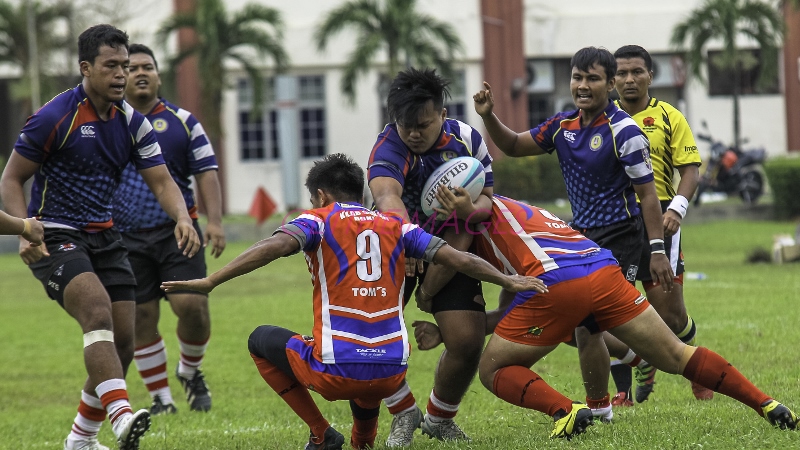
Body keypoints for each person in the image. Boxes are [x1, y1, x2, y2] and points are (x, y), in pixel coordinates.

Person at [161, 154, 547, 450]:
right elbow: (458, 257)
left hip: (336, 371)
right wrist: (507, 278)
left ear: (322, 196)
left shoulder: (318, 219)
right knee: (367, 371)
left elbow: (274, 246)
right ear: (360, 193)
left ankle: (320, 434)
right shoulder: (397, 226)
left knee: (260, 340)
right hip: (392, 373)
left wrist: (212, 280)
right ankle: (363, 442)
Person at [412, 194, 798, 439]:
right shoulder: (521, 208)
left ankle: (566, 410)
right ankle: (765, 402)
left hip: (558, 280)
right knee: (676, 354)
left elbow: (453, 261)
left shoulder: (466, 219)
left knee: (492, 369)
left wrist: (428, 298)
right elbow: (513, 313)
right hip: (601, 267)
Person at [0, 24, 201, 450]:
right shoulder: (55, 117)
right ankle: (122, 416)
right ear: (86, 68)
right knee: (96, 314)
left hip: (107, 238)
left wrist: (182, 216)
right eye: (111, 66)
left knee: (123, 344)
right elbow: (12, 178)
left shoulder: (134, 124)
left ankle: (81, 439)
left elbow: (164, 182)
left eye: (124, 67)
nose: (120, 75)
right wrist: (24, 231)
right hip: (55, 235)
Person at [473, 46, 673, 412]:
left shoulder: (623, 131)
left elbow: (648, 195)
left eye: (593, 78)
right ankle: (636, 361)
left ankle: (603, 408)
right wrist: (489, 117)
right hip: (578, 236)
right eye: (577, 78)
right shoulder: (562, 126)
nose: (583, 86)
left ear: (610, 84)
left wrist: (657, 250)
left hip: (621, 236)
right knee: (574, 321)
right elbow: (515, 145)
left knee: (588, 326)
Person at [367, 67, 495, 445]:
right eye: (406, 125)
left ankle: (439, 417)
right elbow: (388, 199)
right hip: (397, 244)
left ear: (442, 112)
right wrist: (409, 242)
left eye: (423, 124)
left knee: (467, 340)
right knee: (372, 336)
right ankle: (402, 410)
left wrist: (468, 208)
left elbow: (488, 203)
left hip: (455, 239)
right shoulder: (388, 145)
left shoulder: (467, 139)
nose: (414, 134)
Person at [111, 43, 225, 415]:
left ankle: (189, 372)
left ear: (159, 76)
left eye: (148, 66)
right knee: (141, 316)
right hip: (124, 236)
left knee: (191, 306)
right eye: (133, 68)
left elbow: (206, 171)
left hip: (178, 231)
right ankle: (161, 398)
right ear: (122, 77)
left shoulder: (183, 121)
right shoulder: (108, 123)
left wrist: (215, 222)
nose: (141, 73)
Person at [608, 44, 709, 403]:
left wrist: (677, 209)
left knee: (670, 313)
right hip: (612, 221)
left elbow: (690, 171)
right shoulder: (601, 117)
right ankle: (622, 389)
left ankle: (698, 369)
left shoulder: (669, 116)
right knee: (607, 309)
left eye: (637, 72)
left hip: (661, 218)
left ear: (651, 75)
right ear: (611, 78)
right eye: (621, 73)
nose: (629, 79)